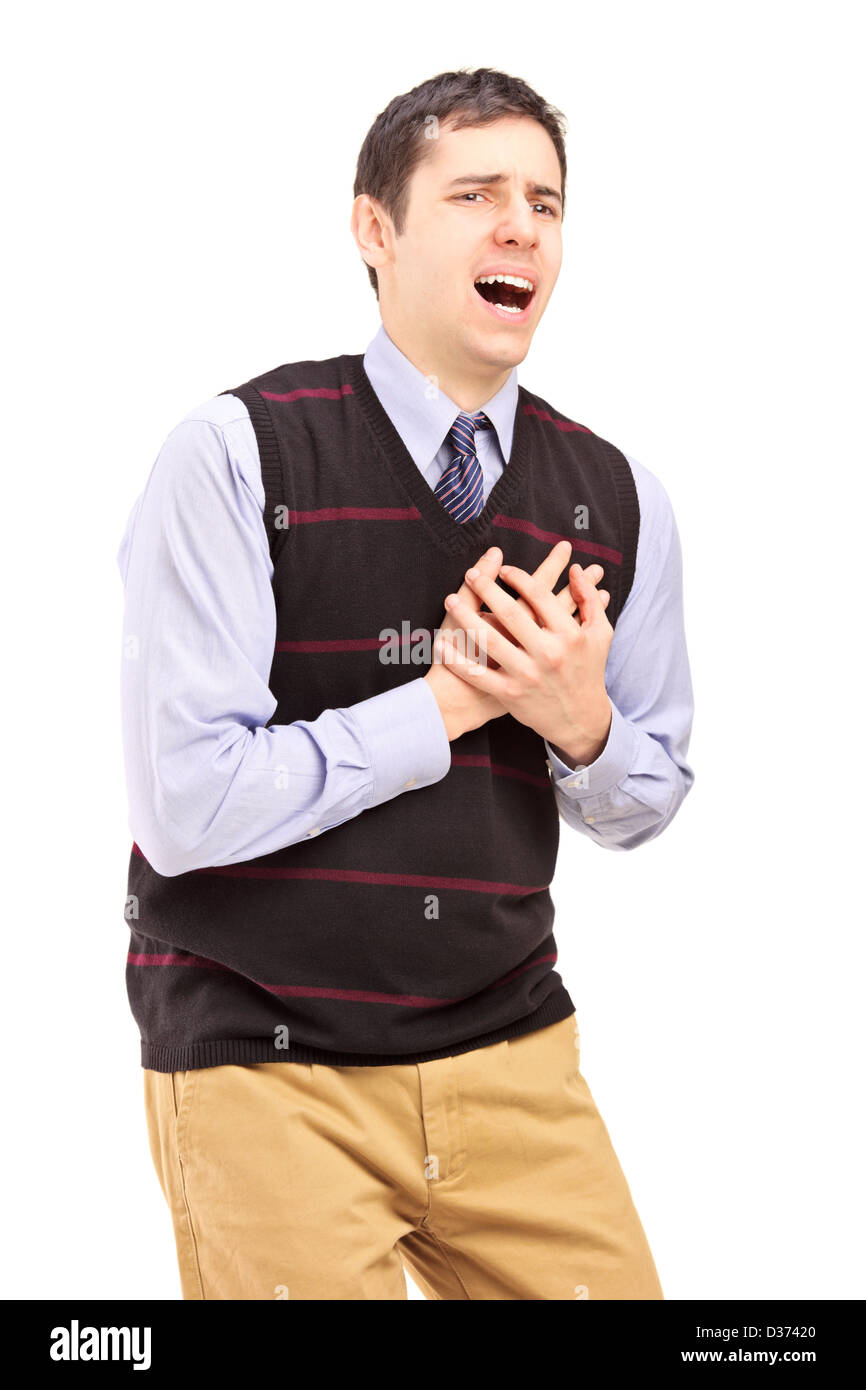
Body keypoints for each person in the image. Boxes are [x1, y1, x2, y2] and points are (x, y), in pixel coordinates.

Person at [118, 66, 694, 1301]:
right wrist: (439, 706)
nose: (518, 228)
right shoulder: (234, 454)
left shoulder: (614, 494)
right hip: (265, 1066)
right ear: (373, 231)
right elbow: (185, 807)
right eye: (474, 193)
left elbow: (647, 791)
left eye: (544, 202)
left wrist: (572, 720)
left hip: (512, 1054)